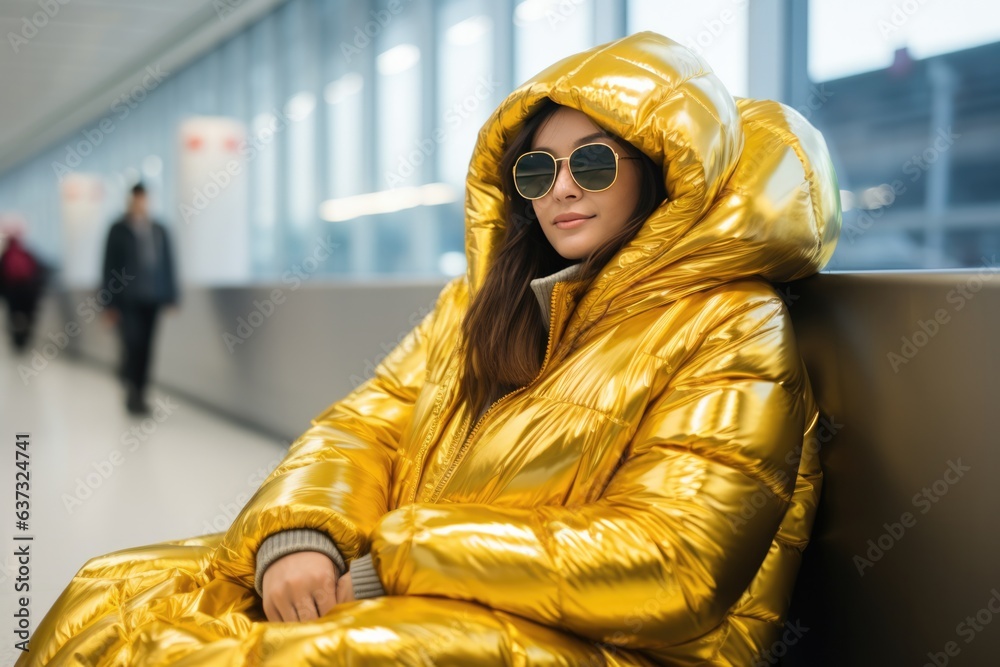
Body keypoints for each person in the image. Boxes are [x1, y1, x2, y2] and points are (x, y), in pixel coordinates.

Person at [17, 31, 840, 666]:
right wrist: (298, 537)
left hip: (623, 641)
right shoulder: (481, 303)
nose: (560, 188)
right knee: (112, 591)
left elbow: (674, 564)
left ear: (661, 174)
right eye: (536, 170)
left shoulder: (731, 324)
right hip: (452, 590)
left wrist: (392, 562)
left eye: (592, 163)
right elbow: (363, 426)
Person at [100, 182, 179, 414]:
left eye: (144, 198)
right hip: (127, 299)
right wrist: (109, 303)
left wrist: (172, 296)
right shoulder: (118, 228)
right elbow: (108, 266)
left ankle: (140, 393)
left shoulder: (159, 229)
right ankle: (130, 387)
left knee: (147, 347)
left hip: (152, 298)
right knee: (132, 343)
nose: (141, 202)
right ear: (130, 199)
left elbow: (168, 264)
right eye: (137, 198)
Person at [0, 220, 49, 353]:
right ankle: (25, 341)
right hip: (28, 292)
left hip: (13, 293)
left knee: (13, 318)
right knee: (28, 318)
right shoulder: (27, 253)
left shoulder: (6, 255)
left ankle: (17, 342)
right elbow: (40, 271)